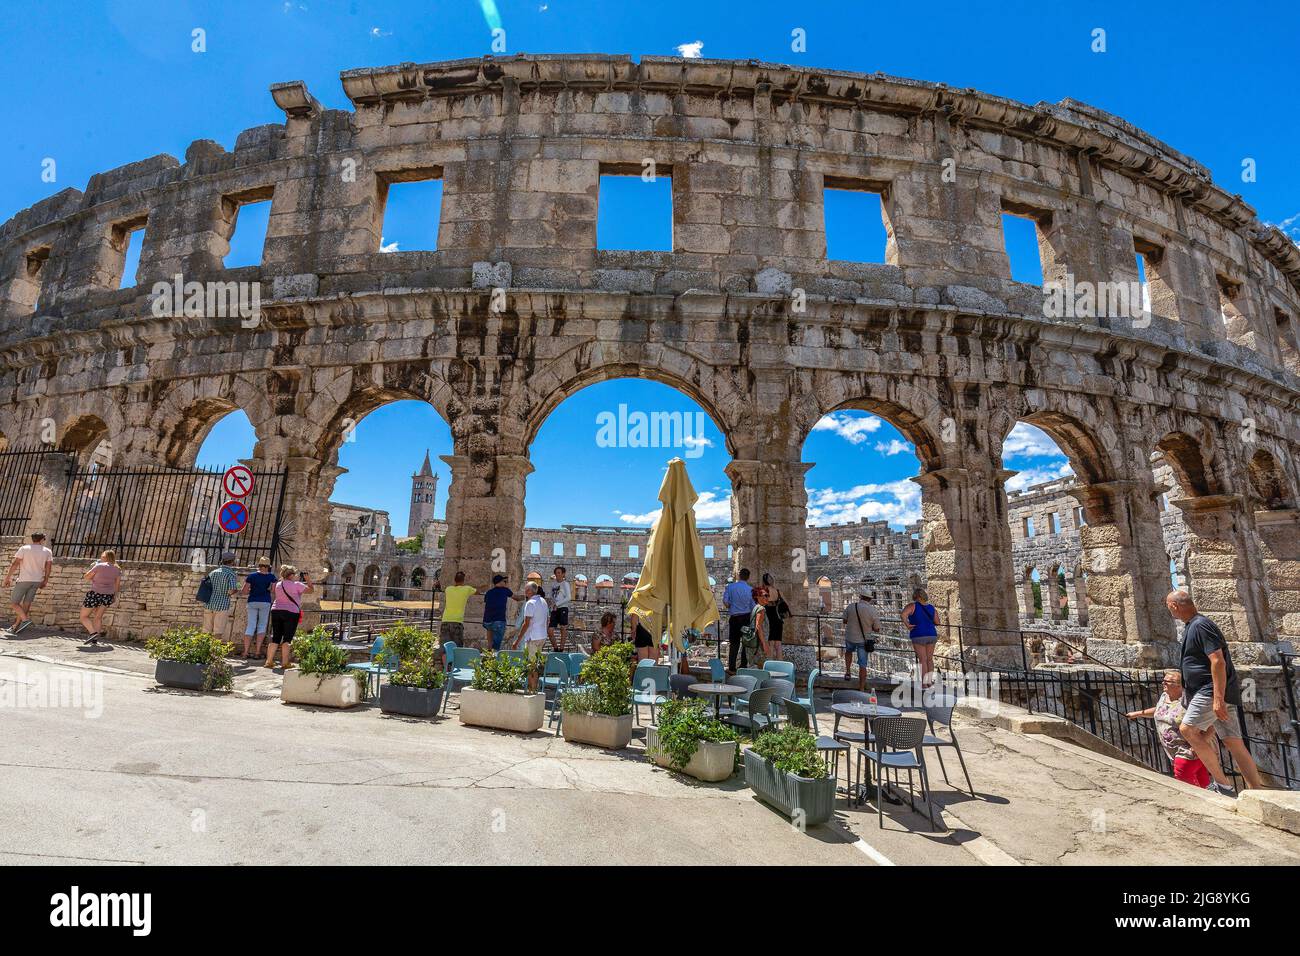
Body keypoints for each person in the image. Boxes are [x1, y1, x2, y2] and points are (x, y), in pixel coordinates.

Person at [1166, 589, 1264, 795]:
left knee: (1188, 730)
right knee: (1233, 741)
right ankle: (1258, 791)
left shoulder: (1201, 625)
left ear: (1174, 606)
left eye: (1169, 607)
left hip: (1209, 691)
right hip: (1213, 692)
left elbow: (1217, 660)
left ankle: (1222, 784)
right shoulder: (1194, 625)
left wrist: (1218, 699)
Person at [1125, 670, 1210, 789]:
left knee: (1183, 777)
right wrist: (1138, 714)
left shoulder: (1190, 701)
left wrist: (1198, 745)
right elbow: (1161, 710)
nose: (1163, 683)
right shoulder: (1165, 696)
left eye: (1167, 681)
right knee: (1202, 782)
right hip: (1173, 749)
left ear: (1180, 685)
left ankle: (1194, 802)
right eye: (1163, 680)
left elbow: (1211, 725)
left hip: (1188, 748)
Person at [4, 531, 53, 634]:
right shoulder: (47, 551)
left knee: (14, 603)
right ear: (41, 540)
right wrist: (45, 580)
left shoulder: (24, 549)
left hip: (24, 580)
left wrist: (7, 578)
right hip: (36, 581)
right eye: (44, 539)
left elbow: (15, 564)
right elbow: (48, 567)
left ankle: (25, 620)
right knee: (26, 605)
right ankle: (16, 627)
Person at [266, 564, 312, 669]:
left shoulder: (278, 584)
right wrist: (308, 579)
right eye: (294, 574)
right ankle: (285, 663)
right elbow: (311, 590)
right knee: (287, 638)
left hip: (276, 610)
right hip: (291, 612)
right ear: (291, 575)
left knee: (276, 637)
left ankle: (269, 661)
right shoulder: (297, 585)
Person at [78, 550, 122, 646]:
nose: (101, 558)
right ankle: (94, 640)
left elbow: (86, 577)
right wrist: (114, 596)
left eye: (102, 556)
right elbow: (117, 585)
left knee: (83, 617)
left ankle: (93, 633)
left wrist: (95, 570)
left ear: (105, 557)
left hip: (95, 594)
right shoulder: (117, 569)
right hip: (108, 595)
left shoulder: (99, 566)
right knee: (98, 617)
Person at [842, 591, 881, 691]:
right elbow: (877, 628)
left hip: (850, 636)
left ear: (860, 597)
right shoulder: (872, 610)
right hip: (864, 640)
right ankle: (861, 688)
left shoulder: (851, 606)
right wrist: (868, 626)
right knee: (863, 664)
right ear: (870, 599)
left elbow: (844, 621)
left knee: (848, 652)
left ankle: (848, 672)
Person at [239, 557, 277, 660]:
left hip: (252, 601)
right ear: (268, 566)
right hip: (265, 601)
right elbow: (273, 591)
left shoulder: (252, 576)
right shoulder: (272, 577)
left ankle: (246, 652)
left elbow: (244, 591)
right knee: (262, 626)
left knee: (250, 626)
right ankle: (257, 652)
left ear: (259, 565)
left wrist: (252, 589)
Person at [902, 587, 939, 688]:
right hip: (931, 634)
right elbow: (938, 622)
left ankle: (924, 684)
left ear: (915, 596)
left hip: (918, 634)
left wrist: (907, 625)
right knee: (930, 660)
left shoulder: (912, 606)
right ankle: (930, 682)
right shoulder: (931, 608)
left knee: (923, 660)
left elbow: (903, 614)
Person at [202, 551, 240, 643]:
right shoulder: (231, 574)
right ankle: (214, 654)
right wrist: (237, 587)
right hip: (222, 605)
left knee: (206, 631)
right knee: (217, 632)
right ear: (232, 561)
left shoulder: (213, 572)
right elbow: (231, 590)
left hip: (209, 603)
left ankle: (203, 651)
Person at [722, 568, 755, 674]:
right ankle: (743, 666)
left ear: (739, 575)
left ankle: (732, 668)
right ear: (748, 577)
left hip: (735, 618)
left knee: (734, 643)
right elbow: (753, 606)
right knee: (745, 643)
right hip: (746, 618)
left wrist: (733, 605)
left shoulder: (730, 587)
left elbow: (726, 603)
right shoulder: (751, 590)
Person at [478, 574, 519, 651]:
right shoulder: (505, 590)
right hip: (499, 620)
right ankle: (493, 658)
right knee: (496, 645)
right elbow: (516, 598)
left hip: (487, 620)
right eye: (504, 581)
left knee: (490, 640)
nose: (505, 583)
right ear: (500, 582)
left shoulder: (489, 592)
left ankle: (489, 655)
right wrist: (526, 597)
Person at [440, 571, 476, 646]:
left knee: (444, 647)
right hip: (457, 621)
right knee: (457, 647)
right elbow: (477, 591)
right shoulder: (467, 589)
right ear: (463, 580)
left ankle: (445, 658)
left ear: (454, 580)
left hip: (445, 620)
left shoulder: (448, 589)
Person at [513, 582, 549, 653]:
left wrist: (517, 641)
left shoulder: (530, 603)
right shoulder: (543, 601)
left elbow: (526, 624)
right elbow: (547, 620)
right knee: (537, 661)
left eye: (526, 589)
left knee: (530, 662)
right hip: (542, 636)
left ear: (529, 591)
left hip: (533, 637)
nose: (524, 591)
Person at [760, 572, 789, 660]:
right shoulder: (777, 591)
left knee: (770, 643)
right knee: (778, 644)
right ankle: (780, 665)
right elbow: (786, 603)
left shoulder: (764, 592)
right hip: (778, 618)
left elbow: (761, 604)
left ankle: (770, 665)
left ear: (764, 581)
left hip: (769, 617)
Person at [743, 586, 774, 667]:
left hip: (754, 642)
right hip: (759, 644)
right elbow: (758, 626)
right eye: (764, 595)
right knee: (761, 666)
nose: (767, 598)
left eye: (767, 595)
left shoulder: (756, 607)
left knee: (753, 666)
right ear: (757, 597)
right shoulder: (761, 609)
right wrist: (764, 644)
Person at [547, 566, 572, 651]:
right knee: (550, 630)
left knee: (563, 628)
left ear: (563, 574)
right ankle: (555, 648)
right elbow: (551, 596)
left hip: (563, 608)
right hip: (554, 609)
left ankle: (561, 649)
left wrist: (557, 604)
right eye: (556, 573)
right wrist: (551, 605)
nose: (557, 575)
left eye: (559, 573)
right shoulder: (553, 584)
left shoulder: (565, 584)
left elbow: (569, 597)